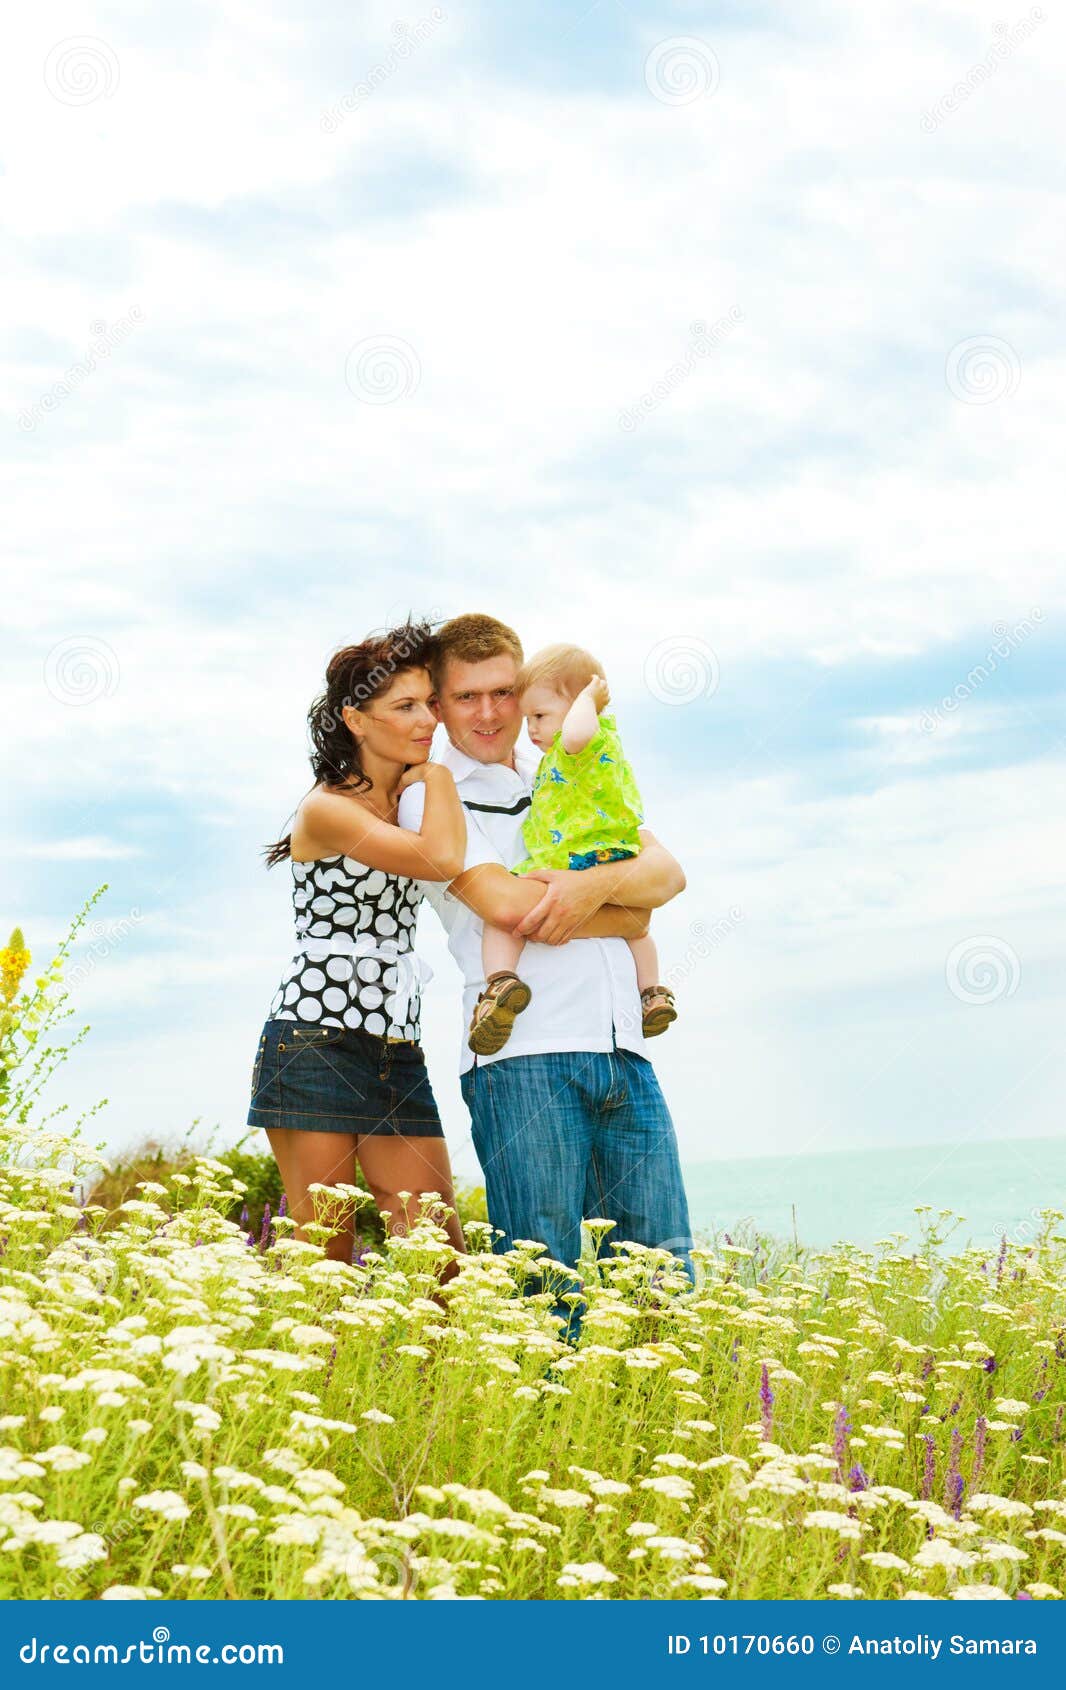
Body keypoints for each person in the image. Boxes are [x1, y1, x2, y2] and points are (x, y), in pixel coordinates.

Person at [397, 613, 693, 1332]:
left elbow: (666, 876)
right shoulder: (429, 795)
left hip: (625, 1050)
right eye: (467, 697)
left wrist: (591, 891)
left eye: (504, 692)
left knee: (662, 1283)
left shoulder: (561, 760)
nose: (491, 713)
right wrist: (616, 899)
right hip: (521, 1061)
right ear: (439, 704)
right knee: (545, 1293)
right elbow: (508, 904)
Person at [248, 621, 468, 1271]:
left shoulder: (408, 799)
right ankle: (304, 1377)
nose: (427, 719)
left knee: (440, 1263)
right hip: (314, 1044)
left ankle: (436, 1379)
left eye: (430, 703)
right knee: (326, 1264)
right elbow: (440, 857)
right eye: (405, 706)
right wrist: (442, 776)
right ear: (356, 719)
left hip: (395, 1050)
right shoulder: (327, 809)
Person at [468, 641, 677, 1056]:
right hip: (610, 852)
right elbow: (637, 916)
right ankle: (652, 991)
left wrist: (587, 699)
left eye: (541, 716)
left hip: (574, 856)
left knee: (504, 926)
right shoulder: (562, 758)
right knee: (638, 930)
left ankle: (501, 980)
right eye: (528, 718)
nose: (532, 730)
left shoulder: (581, 742)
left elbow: (578, 730)